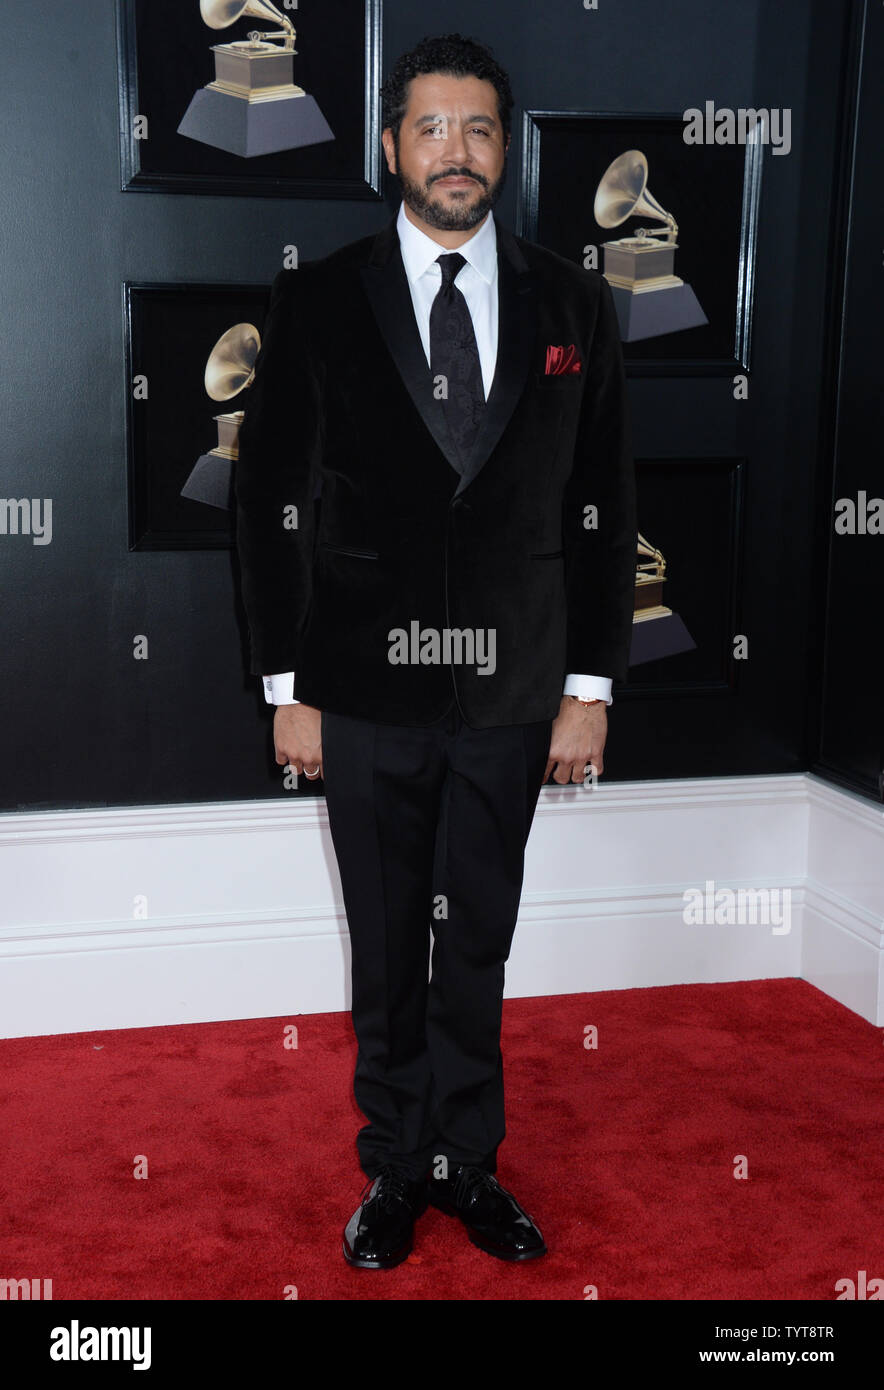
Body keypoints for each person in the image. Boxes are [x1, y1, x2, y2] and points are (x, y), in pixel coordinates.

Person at [234, 32, 636, 1269]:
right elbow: (268, 504)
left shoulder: (574, 300)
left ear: (503, 152)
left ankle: (470, 1161)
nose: (452, 152)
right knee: (387, 926)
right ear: (391, 146)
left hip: (517, 688)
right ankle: (395, 1168)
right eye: (429, 127)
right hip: (359, 686)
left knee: (476, 933)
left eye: (476, 130)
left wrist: (587, 686)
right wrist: (286, 688)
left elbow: (602, 499)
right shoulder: (318, 296)